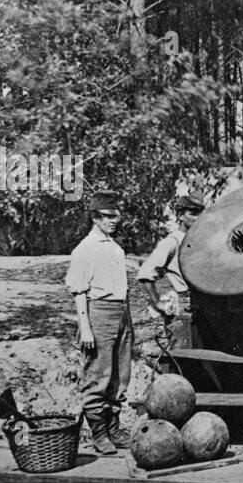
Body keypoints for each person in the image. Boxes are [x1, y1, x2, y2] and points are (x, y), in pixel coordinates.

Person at [65, 193, 134, 455]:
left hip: (122, 312)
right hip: (99, 312)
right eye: (108, 216)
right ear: (95, 217)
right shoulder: (85, 249)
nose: (115, 221)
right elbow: (79, 291)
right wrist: (85, 326)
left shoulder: (115, 248)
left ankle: (113, 428)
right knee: (98, 374)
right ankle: (99, 432)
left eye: (117, 215)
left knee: (120, 373)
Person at [137, 192, 204, 359]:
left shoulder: (202, 239)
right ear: (180, 215)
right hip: (182, 307)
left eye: (200, 213)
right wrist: (158, 302)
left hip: (202, 305)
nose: (198, 218)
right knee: (182, 356)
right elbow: (146, 273)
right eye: (193, 213)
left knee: (204, 355)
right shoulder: (172, 242)